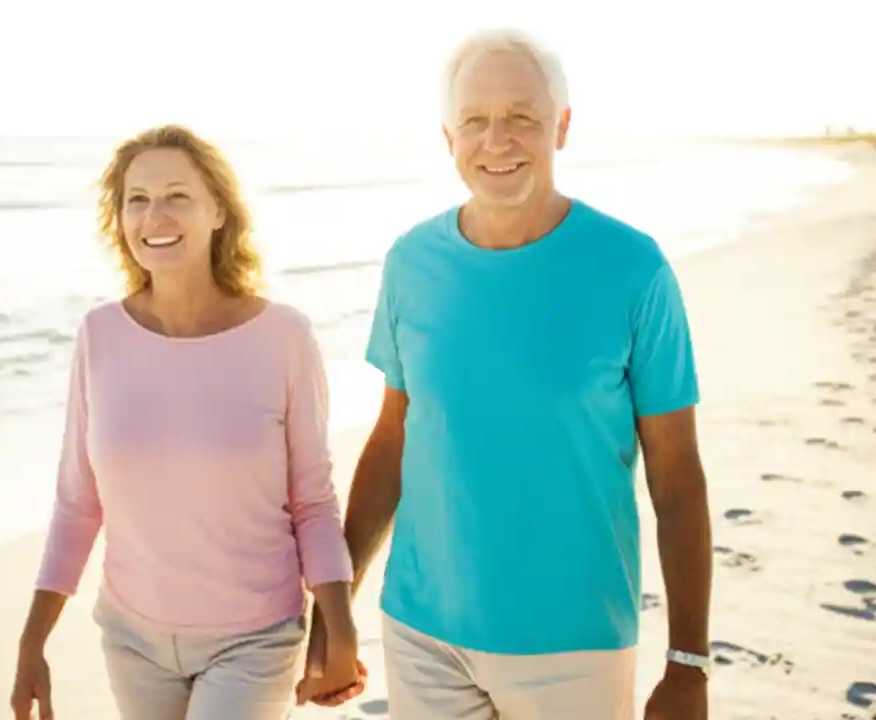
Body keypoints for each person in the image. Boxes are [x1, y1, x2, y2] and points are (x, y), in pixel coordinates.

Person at [301, 29, 713, 719]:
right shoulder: (411, 263)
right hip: (421, 633)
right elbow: (393, 440)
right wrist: (334, 611)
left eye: (522, 117)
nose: (498, 141)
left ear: (563, 126)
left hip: (575, 644)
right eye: (475, 121)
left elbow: (677, 478)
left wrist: (689, 662)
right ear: (448, 137)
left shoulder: (634, 269)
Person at [10, 124, 365, 720]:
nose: (156, 216)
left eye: (177, 195)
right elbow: (78, 502)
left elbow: (313, 500)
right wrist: (32, 641)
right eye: (137, 200)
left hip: (253, 638)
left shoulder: (283, 335)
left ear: (219, 211)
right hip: (131, 639)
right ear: (120, 219)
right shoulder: (100, 335)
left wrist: (340, 627)